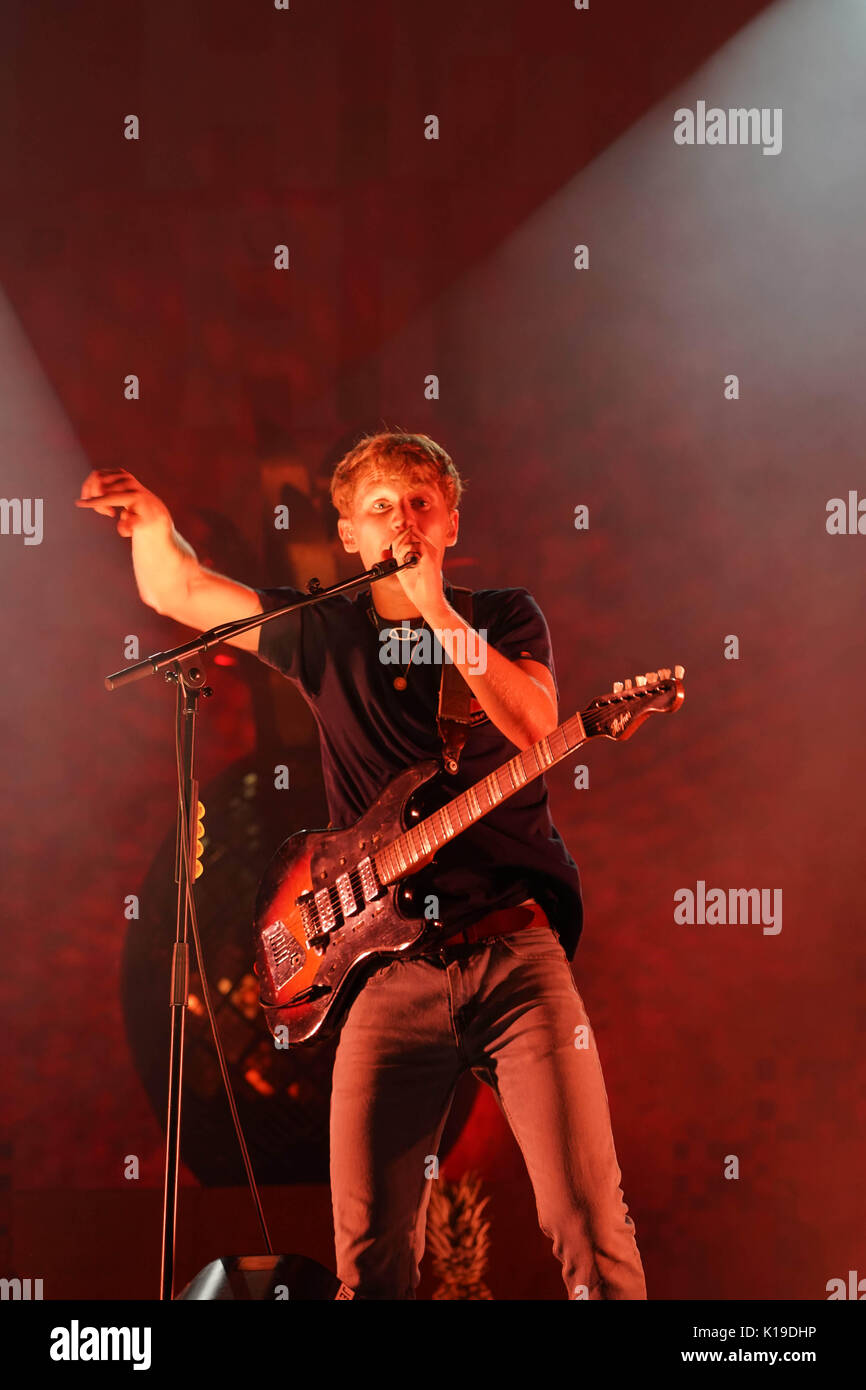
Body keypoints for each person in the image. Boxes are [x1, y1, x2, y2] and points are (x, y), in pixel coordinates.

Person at [76, 431, 647, 1300]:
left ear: (451, 520)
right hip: (385, 979)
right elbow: (179, 589)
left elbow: (539, 727)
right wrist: (154, 524)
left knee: (589, 1225)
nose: (403, 522)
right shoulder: (325, 633)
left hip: (514, 962)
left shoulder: (502, 614)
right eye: (381, 508)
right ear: (350, 536)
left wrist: (441, 617)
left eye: (420, 503)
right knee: (369, 1258)